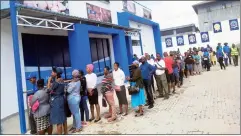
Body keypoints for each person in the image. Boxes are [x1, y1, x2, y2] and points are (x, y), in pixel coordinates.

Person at [47, 67, 67, 134]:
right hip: (61, 100)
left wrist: (49, 82)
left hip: (56, 102)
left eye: (52, 72)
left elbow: (48, 90)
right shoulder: (61, 80)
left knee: (59, 121)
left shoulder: (56, 82)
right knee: (63, 118)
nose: (51, 73)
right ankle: (66, 132)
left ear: (56, 73)